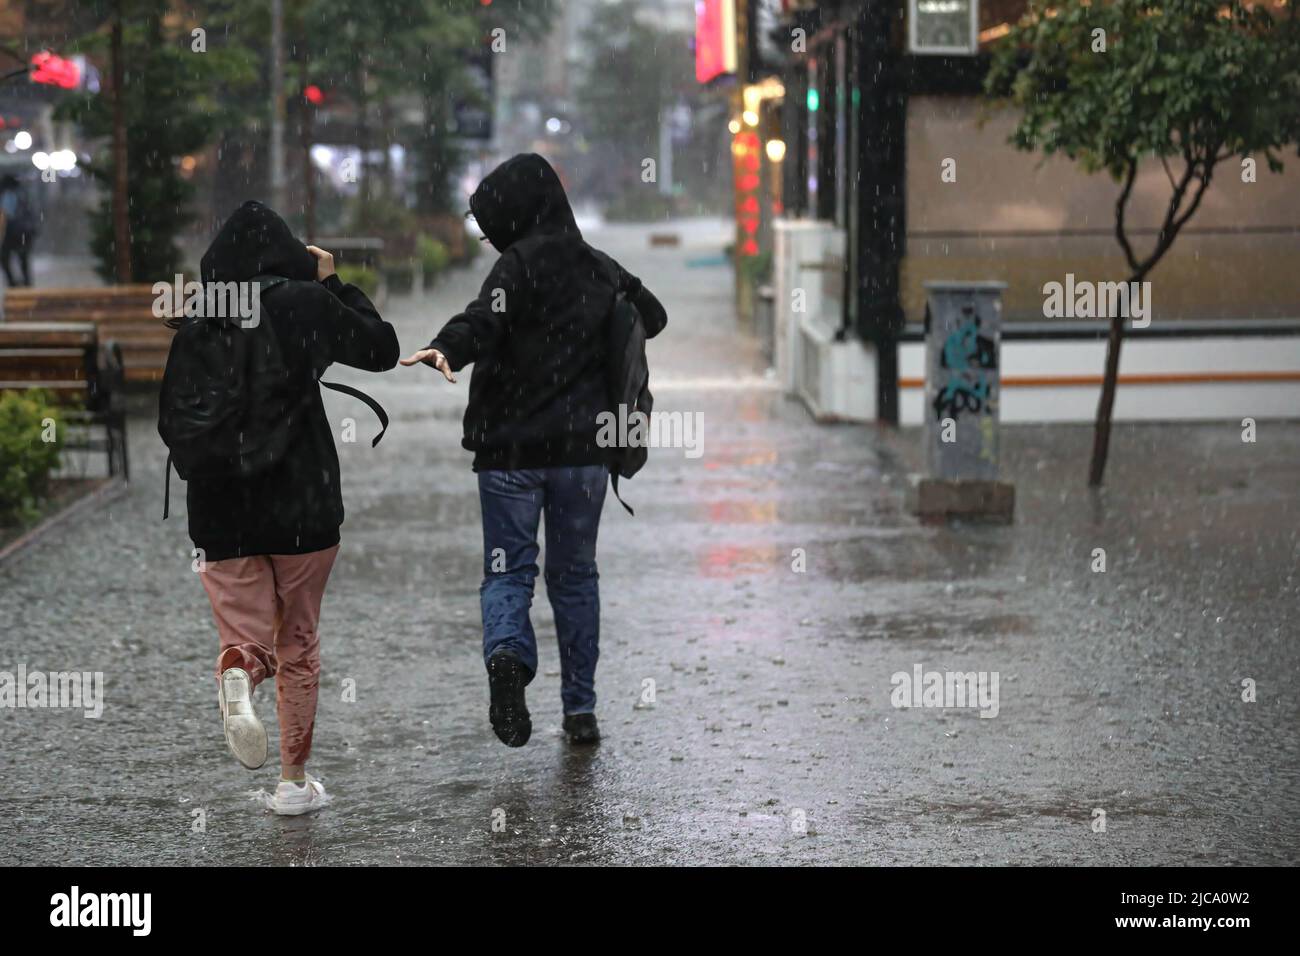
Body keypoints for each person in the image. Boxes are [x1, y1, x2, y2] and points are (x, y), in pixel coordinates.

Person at [402, 153, 666, 748]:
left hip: (510, 457)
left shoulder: (515, 268)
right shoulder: (598, 267)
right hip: (583, 456)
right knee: (574, 578)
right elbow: (654, 316)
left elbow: (482, 321)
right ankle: (580, 711)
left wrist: (445, 347)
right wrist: (617, 301)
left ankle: (508, 659)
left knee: (508, 571)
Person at [167, 200, 399, 814]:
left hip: (220, 512)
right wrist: (332, 282)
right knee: (299, 643)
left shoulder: (201, 315)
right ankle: (293, 784)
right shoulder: (303, 304)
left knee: (248, 637)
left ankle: (240, 668)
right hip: (303, 503)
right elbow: (381, 347)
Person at [0, 173, 36, 286]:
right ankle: (26, 283)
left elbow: (6, 215)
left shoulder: (8, 194)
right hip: (24, 231)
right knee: (23, 259)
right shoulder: (22, 193)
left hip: (14, 232)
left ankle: (14, 284)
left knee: (5, 257)